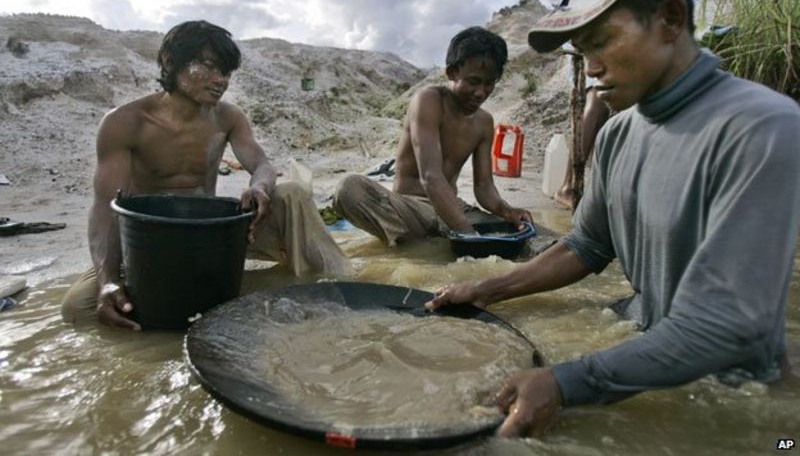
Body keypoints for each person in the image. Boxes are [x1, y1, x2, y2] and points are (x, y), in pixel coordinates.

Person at [426, 0, 800, 438]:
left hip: (731, 396)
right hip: (635, 343)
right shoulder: (618, 134)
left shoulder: (762, 128)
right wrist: (484, 289)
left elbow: (726, 326)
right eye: (582, 49)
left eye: (601, 41)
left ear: (670, 19)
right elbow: (584, 246)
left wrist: (566, 382)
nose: (592, 66)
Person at [62, 20, 352, 331]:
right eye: (209, 66)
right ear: (170, 62)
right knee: (78, 308)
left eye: (225, 72)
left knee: (292, 193)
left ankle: (336, 287)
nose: (220, 80)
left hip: (213, 240)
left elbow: (263, 165)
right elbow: (105, 207)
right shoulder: (126, 122)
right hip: (149, 245)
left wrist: (260, 187)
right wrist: (108, 281)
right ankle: (241, 292)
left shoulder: (228, 118)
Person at [333, 26, 533, 245]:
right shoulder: (428, 101)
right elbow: (430, 177)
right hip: (412, 209)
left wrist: (507, 211)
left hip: (455, 210)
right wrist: (468, 236)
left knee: (535, 236)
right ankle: (436, 240)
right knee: (349, 188)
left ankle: (434, 241)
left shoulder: (484, 122)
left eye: (489, 83)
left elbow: (484, 187)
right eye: (474, 82)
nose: (480, 92)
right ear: (451, 73)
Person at [555, 45, 611, 208]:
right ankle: (568, 187)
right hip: (591, 47)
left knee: (602, 114)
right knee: (597, 101)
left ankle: (594, 190)